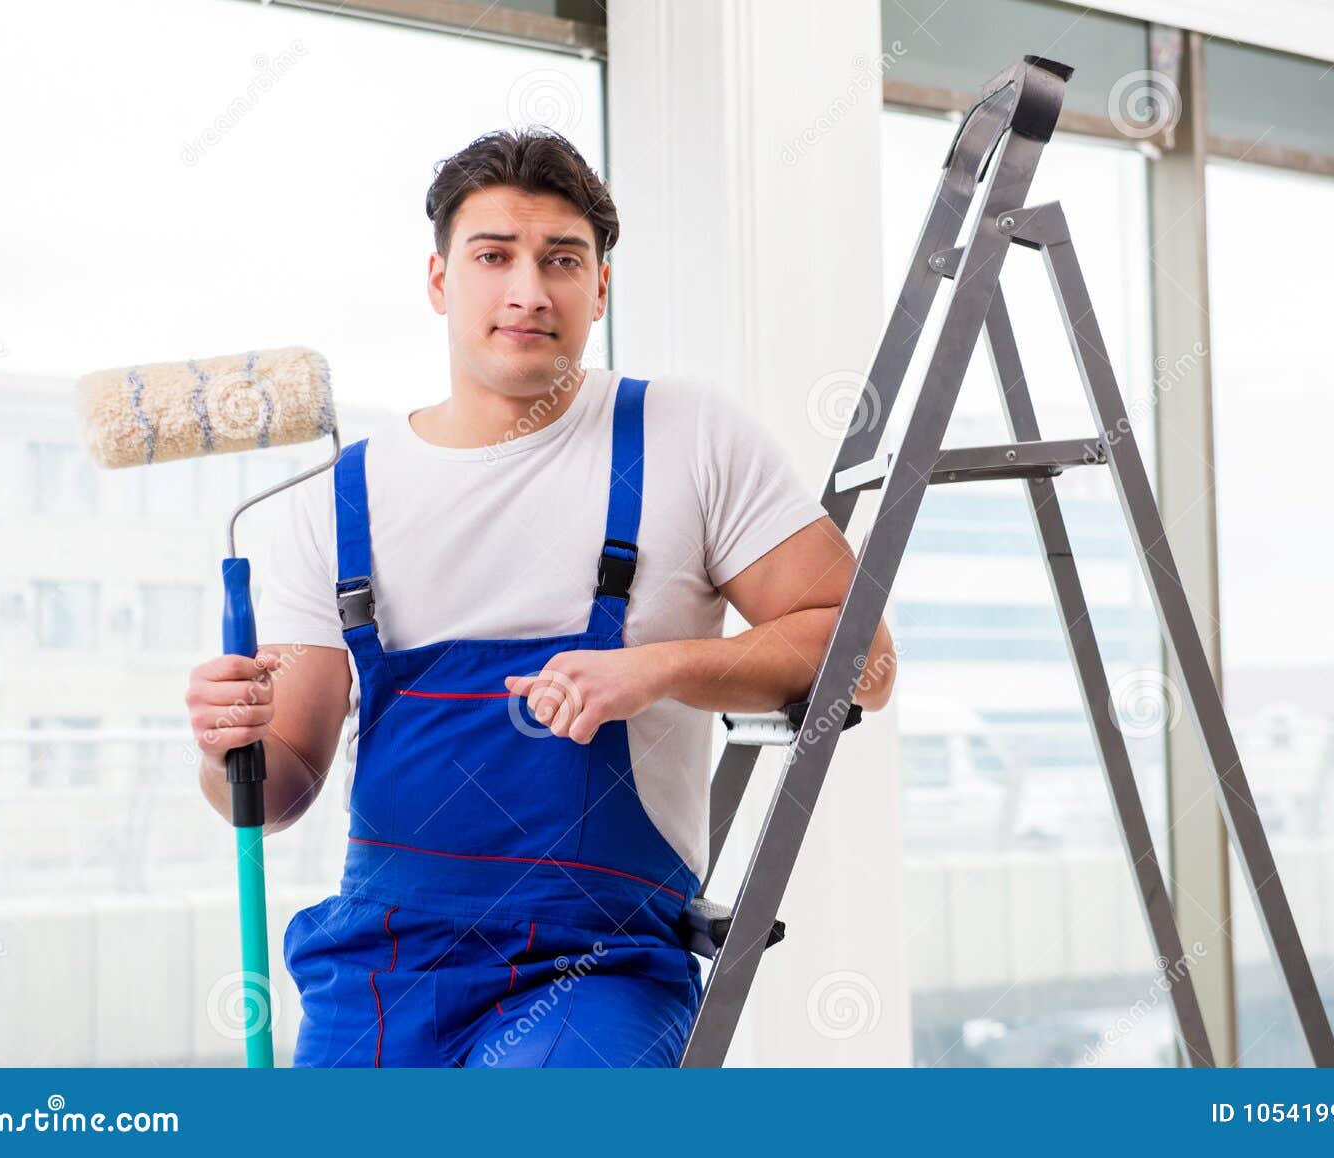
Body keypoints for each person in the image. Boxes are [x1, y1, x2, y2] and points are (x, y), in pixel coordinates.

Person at [186, 127, 896, 1067]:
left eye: (563, 260)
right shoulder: (330, 500)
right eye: (494, 256)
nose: (529, 290)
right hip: (383, 964)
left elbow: (866, 659)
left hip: (596, 966)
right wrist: (225, 745)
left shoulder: (683, 435)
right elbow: (280, 789)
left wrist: (658, 669)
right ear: (440, 280)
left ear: (599, 288)